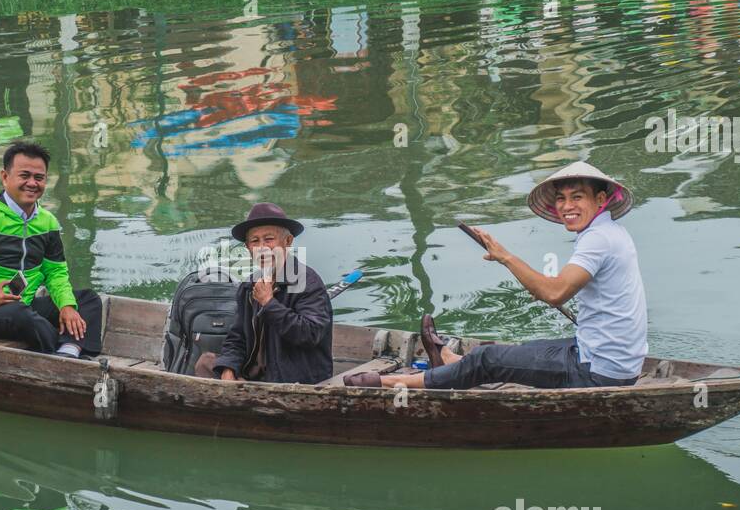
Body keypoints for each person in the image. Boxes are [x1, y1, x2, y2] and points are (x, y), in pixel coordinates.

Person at [346, 162, 646, 390]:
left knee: (488, 359)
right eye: (562, 198)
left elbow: (555, 292)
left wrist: (505, 257)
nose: (567, 206)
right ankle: (455, 364)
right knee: (525, 349)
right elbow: (559, 287)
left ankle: (395, 384)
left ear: (601, 199)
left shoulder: (598, 239)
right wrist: (536, 282)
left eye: (577, 197)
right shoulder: (608, 232)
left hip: (599, 373)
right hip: (611, 359)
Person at [0, 142, 102, 358]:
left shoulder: (48, 223)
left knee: (86, 299)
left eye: (39, 177)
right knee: (19, 314)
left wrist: (67, 306)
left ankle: (69, 351)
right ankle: (59, 350)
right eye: (24, 175)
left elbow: (55, 273)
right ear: (5, 177)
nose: (32, 183)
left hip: (24, 305)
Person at [196, 202, 333, 385]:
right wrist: (229, 368)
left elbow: (310, 334)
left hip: (294, 381)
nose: (261, 247)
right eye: (254, 241)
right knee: (206, 363)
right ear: (248, 248)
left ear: (288, 241)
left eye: (269, 239)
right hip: (256, 377)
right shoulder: (249, 286)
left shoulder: (307, 282)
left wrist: (269, 303)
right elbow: (237, 338)